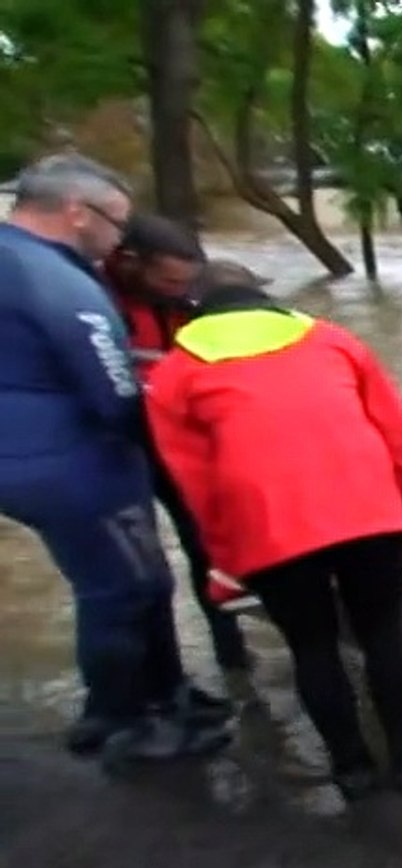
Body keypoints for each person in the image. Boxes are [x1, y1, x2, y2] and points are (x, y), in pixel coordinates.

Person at [142, 262, 402, 799]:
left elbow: (197, 488)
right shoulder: (336, 342)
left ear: (191, 310)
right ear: (265, 296)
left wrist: (225, 566)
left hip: (271, 531)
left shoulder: (172, 375)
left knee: (312, 647)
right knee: (383, 635)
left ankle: (352, 770)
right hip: (371, 513)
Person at [0, 153, 233, 768]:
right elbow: (114, 394)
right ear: (79, 213)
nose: (121, 240)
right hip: (75, 464)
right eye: (118, 223)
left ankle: (163, 695)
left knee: (131, 580)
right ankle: (126, 722)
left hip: (20, 457)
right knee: (126, 589)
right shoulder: (65, 285)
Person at [102, 212, 257, 679]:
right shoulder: (92, 300)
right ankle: (156, 676)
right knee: (136, 564)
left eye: (186, 282)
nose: (179, 290)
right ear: (130, 263)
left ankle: (231, 654)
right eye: (169, 281)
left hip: (176, 439)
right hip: (115, 445)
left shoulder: (189, 302)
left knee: (206, 543)